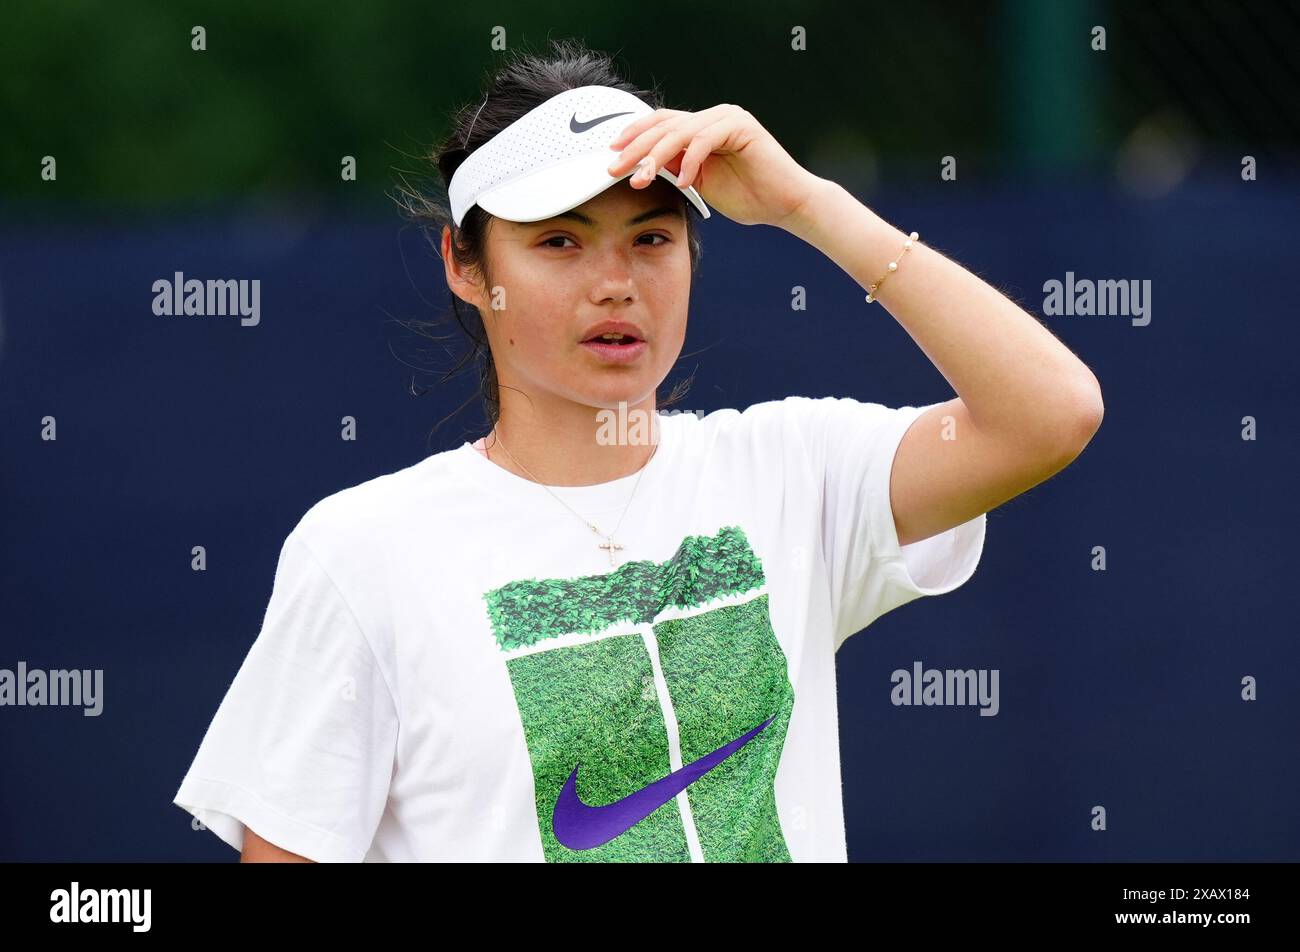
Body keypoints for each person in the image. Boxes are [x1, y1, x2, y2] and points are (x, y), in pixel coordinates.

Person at [172, 38, 1102, 863]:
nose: (615, 284)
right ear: (467, 267)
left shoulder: (792, 468)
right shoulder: (362, 551)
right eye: (561, 242)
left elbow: (1051, 412)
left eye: (651, 237)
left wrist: (807, 204)